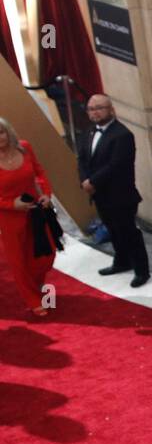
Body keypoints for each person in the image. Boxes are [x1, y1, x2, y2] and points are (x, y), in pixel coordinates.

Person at [77, 94, 149, 286]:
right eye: (91, 109)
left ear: (111, 109)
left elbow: (116, 165)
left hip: (120, 194)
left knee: (129, 232)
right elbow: (82, 159)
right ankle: (122, 261)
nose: (95, 112)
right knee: (113, 230)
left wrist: (92, 181)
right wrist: (84, 179)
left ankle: (142, 270)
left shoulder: (122, 134)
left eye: (99, 108)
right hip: (99, 194)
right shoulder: (88, 132)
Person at [0, 118, 57, 317]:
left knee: (46, 254)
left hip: (35, 211)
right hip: (9, 218)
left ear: (8, 132)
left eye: (1, 132)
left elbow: (39, 172)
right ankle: (32, 299)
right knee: (19, 261)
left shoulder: (24, 147)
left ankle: (37, 284)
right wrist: (10, 204)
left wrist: (46, 194)